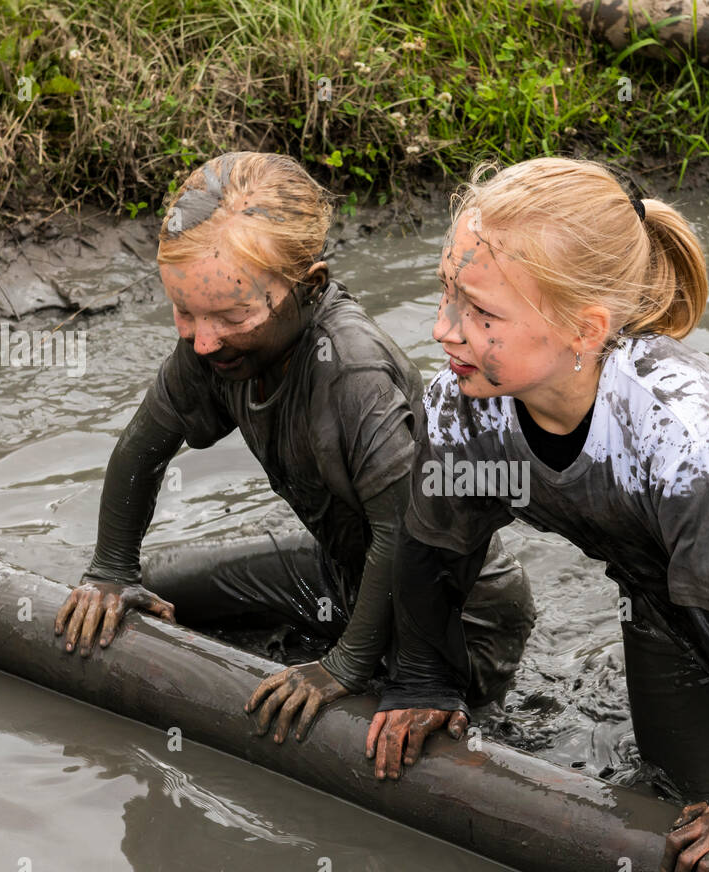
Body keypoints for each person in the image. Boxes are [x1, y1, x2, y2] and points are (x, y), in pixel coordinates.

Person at [372, 157, 709, 872]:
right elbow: (434, 552)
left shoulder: (679, 426)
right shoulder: (465, 404)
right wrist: (423, 678)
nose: (444, 328)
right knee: (673, 795)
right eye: (445, 290)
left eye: (479, 312)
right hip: (657, 583)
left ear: (586, 328)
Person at [54, 151, 535, 745]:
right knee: (156, 587)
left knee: (388, 705)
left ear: (310, 286)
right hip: (344, 575)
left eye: (231, 315)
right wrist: (111, 570)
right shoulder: (213, 345)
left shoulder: (352, 370)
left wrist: (345, 667)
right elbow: (142, 448)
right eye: (184, 312)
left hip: (453, 609)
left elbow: (405, 532)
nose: (203, 341)